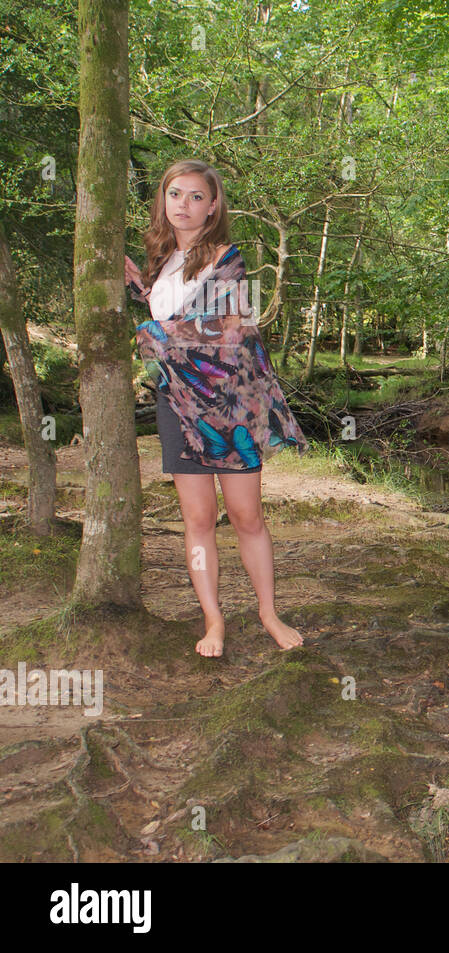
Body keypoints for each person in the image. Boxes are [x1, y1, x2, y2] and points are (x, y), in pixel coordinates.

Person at [125, 159, 307, 658]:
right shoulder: (159, 260)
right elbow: (174, 314)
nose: (184, 205)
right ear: (163, 200)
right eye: (175, 194)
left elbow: (228, 329)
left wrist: (148, 333)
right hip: (175, 402)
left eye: (196, 197)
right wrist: (142, 290)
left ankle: (269, 613)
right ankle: (213, 620)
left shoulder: (228, 259)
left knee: (247, 515)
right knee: (198, 517)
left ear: (213, 207)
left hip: (230, 406)